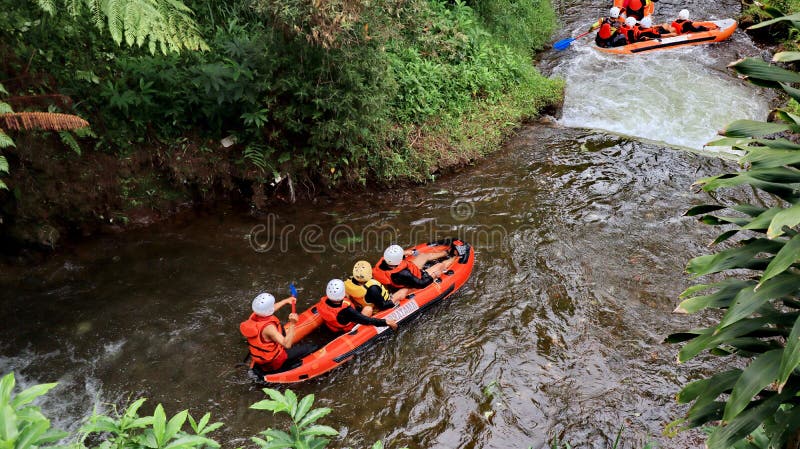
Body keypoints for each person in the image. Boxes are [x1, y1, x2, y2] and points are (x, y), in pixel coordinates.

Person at [239, 293, 316, 375]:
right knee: (311, 347)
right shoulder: (269, 328)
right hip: (275, 360)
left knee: (280, 328)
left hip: (263, 357)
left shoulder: (254, 315)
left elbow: (270, 309)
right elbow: (287, 345)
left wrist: (286, 301)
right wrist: (292, 323)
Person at [317, 279, 398, 333]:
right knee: (368, 309)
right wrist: (386, 322)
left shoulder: (324, 301)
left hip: (333, 325)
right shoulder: (347, 310)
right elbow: (366, 320)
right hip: (348, 327)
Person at [373, 244, 457, 290]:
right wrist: (434, 275)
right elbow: (421, 284)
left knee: (424, 255)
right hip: (415, 279)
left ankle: (446, 252)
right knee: (440, 265)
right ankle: (455, 257)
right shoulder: (403, 273)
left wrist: (407, 252)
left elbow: (395, 258)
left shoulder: (384, 261)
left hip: (410, 270)